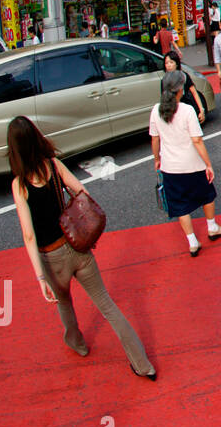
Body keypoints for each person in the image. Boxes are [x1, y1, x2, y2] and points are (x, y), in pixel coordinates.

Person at [9, 116, 155, 379]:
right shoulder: (53, 165)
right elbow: (81, 193)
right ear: (36, 137)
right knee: (108, 306)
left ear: (14, 149)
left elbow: (29, 235)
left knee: (63, 302)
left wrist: (40, 276)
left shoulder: (20, 185)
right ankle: (142, 363)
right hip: (76, 247)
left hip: (50, 257)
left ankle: (77, 344)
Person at [150, 70, 221, 258]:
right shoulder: (186, 110)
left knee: (180, 205)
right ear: (179, 89)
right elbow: (197, 141)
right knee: (207, 195)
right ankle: (212, 227)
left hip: (170, 167)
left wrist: (157, 159)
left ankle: (192, 241)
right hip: (192, 164)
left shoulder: (156, 110)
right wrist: (208, 164)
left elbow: (155, 139)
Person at [162, 50, 205, 125]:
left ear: (177, 64)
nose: (168, 65)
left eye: (171, 62)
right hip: (175, 114)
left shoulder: (184, 76)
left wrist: (201, 110)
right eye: (166, 63)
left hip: (188, 110)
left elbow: (194, 93)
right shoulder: (164, 80)